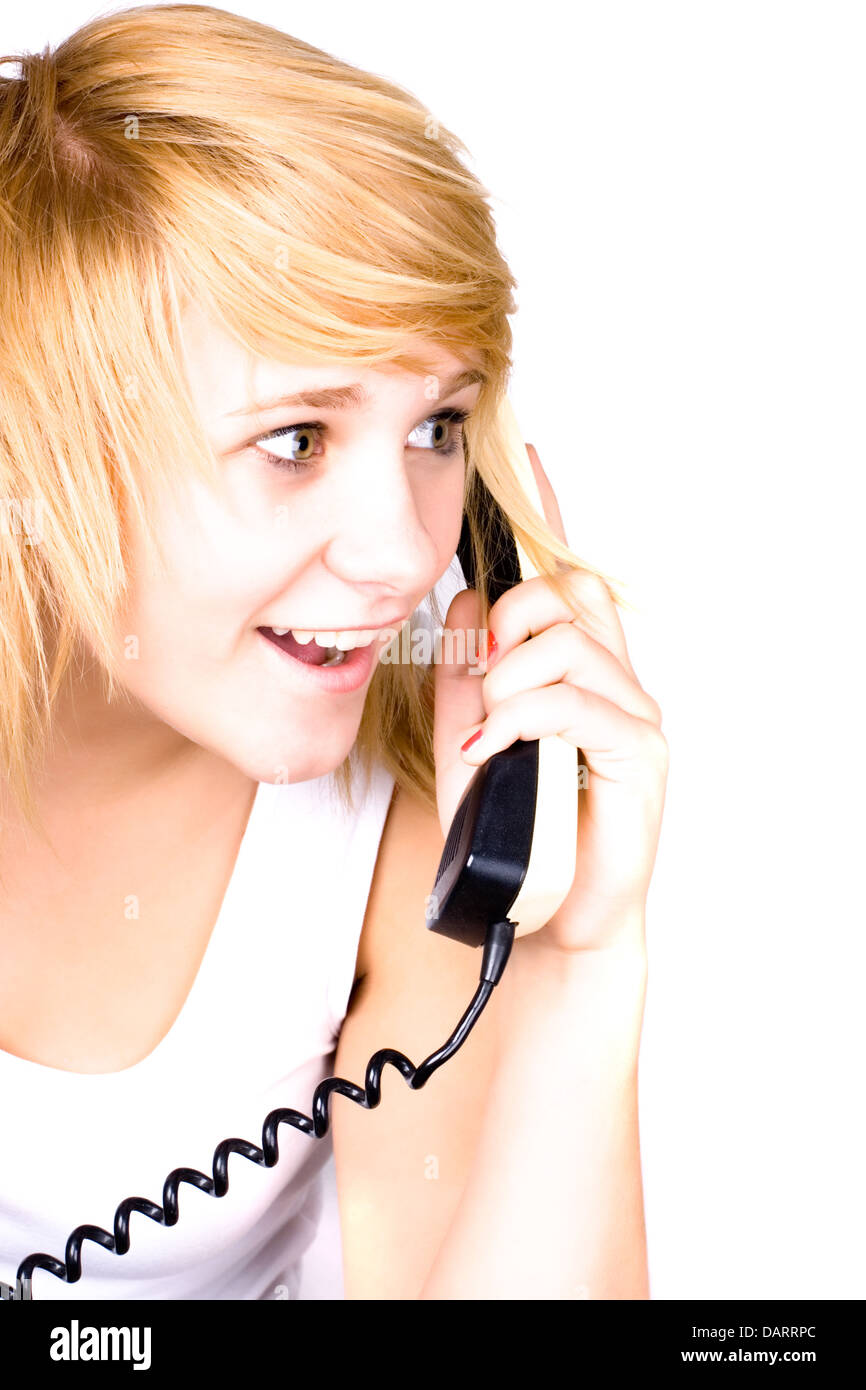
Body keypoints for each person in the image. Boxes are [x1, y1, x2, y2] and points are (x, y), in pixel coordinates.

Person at [0, 3, 668, 1300]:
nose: (406, 554)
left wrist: (579, 959)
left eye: (436, 428)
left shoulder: (406, 807)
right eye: (296, 437)